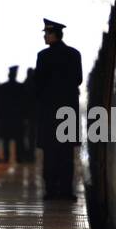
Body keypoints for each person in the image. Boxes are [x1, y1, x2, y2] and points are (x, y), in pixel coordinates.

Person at [32, 18, 82, 200]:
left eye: (46, 33)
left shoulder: (43, 56)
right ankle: (67, 191)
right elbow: (78, 79)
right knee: (67, 153)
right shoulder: (74, 54)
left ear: (53, 35)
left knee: (50, 153)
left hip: (49, 112)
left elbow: (38, 83)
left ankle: (51, 190)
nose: (45, 37)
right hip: (68, 112)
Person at [0, 66, 24, 163]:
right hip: (17, 117)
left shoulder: (3, 87)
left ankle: (6, 157)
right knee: (18, 139)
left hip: (6, 117)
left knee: (6, 139)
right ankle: (19, 157)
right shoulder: (20, 87)